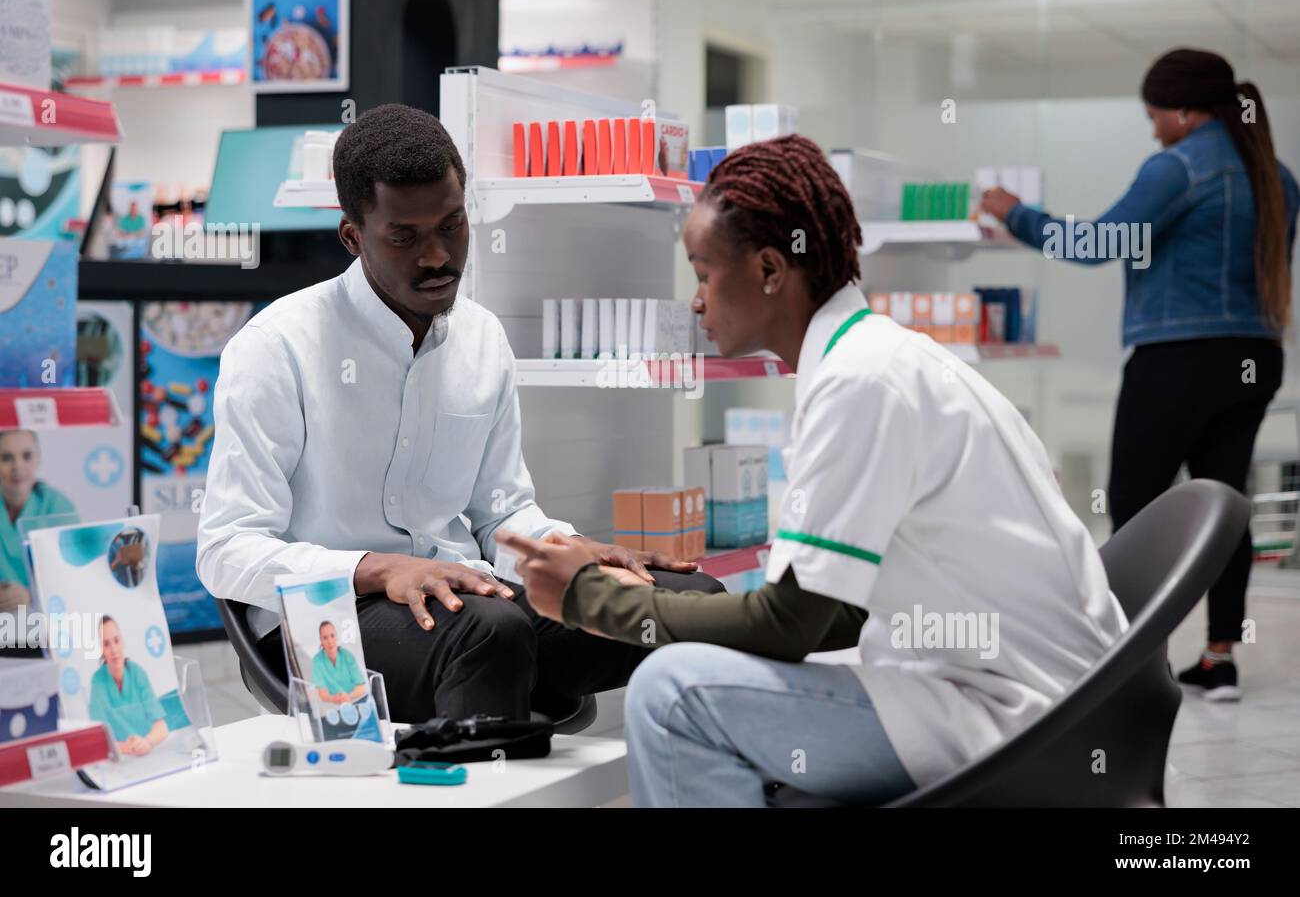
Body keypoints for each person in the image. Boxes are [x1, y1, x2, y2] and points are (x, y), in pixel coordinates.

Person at [498, 134, 1129, 807]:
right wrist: (667, 605)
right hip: (1044, 694)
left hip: (1019, 715)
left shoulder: (862, 383)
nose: (697, 302)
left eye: (705, 273)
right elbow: (837, 613)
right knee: (724, 676)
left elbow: (788, 623)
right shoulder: (878, 359)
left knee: (671, 694)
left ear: (771, 269)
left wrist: (588, 598)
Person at [196, 104, 722, 724]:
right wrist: (375, 568)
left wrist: (569, 551)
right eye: (405, 237)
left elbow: (501, 510)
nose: (437, 257)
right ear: (352, 236)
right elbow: (226, 548)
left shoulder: (481, 338)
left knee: (689, 602)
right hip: (322, 617)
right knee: (489, 633)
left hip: (467, 599)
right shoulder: (276, 347)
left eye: (452, 226)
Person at [980, 48, 1300, 702]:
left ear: (1184, 112)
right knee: (1225, 505)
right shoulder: (1279, 176)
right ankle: (1219, 660)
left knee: (1135, 507)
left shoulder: (1177, 167)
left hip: (1177, 359)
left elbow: (1099, 243)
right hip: (1254, 358)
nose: (1152, 127)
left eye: (1155, 114)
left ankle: (1128, 658)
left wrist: (1015, 213)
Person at [0, 430, 77, 612]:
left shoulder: (58, 507)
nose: (17, 467)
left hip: (47, 619)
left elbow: (75, 576)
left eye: (27, 456)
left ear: (38, 460)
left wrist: (31, 595)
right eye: (6, 458)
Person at [88, 615, 168, 757]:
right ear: (101, 649)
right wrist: (126, 747)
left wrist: (147, 742)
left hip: (150, 752)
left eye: (116, 641)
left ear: (123, 642)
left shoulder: (137, 672)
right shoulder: (98, 682)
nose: (113, 650)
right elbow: (98, 738)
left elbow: (162, 727)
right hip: (121, 758)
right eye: (106, 644)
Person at [312, 620, 366, 705]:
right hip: (332, 707)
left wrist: (348, 697)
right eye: (325, 638)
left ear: (336, 636)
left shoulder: (347, 656)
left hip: (355, 702)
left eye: (332, 636)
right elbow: (322, 693)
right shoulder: (317, 661)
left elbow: (361, 687)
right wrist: (334, 699)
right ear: (321, 641)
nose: (330, 641)